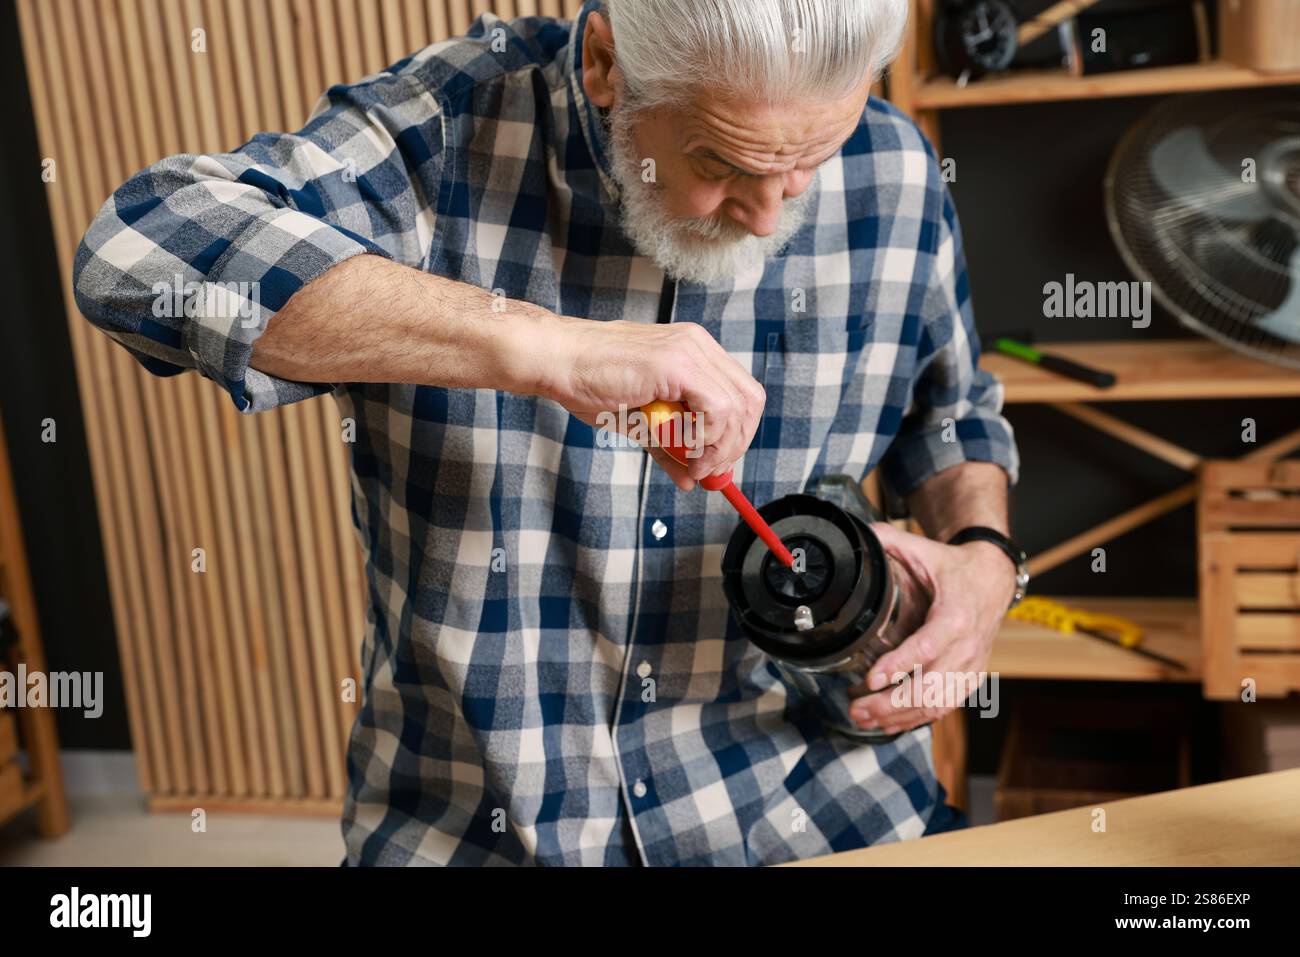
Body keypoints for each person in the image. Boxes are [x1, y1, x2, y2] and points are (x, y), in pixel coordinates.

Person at [73, 0, 1021, 865]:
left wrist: (983, 558)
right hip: (482, 830)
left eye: (807, 166)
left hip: (821, 809)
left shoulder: (899, 169)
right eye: (721, 163)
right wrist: (537, 344)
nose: (769, 214)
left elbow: (955, 417)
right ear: (606, 61)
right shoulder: (445, 132)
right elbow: (136, 250)